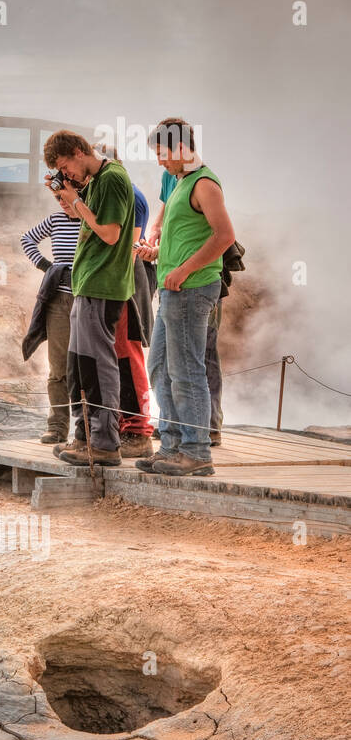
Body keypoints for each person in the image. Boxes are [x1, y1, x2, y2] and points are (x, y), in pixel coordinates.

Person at [135, 119, 235, 477]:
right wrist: (159, 254)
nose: (160, 162)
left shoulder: (204, 183)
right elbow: (187, 237)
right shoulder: (180, 181)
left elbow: (224, 236)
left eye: (162, 154)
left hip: (192, 289)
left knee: (186, 368)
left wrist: (185, 270)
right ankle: (173, 445)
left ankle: (196, 452)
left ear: (179, 148)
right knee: (160, 365)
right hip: (174, 286)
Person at [43, 130, 136, 467]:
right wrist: (67, 196)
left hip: (102, 284)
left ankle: (105, 443)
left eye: (66, 166)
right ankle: (85, 437)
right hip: (88, 283)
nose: (66, 173)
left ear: (80, 152)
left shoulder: (111, 179)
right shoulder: (95, 181)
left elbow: (110, 234)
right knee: (81, 366)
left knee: (98, 366)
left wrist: (76, 198)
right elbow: (83, 218)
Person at [93, 142, 155, 459]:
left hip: (126, 284)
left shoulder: (130, 195)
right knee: (115, 355)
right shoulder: (112, 192)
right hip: (116, 283)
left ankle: (139, 430)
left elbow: (128, 250)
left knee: (126, 355)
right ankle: (122, 424)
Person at [20, 193, 83, 443]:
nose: (63, 202)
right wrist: (47, 267)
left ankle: (86, 428)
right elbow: (27, 239)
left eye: (66, 197)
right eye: (58, 198)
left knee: (86, 366)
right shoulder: (56, 220)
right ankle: (57, 427)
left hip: (87, 299)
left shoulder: (91, 220)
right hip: (58, 301)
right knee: (58, 366)